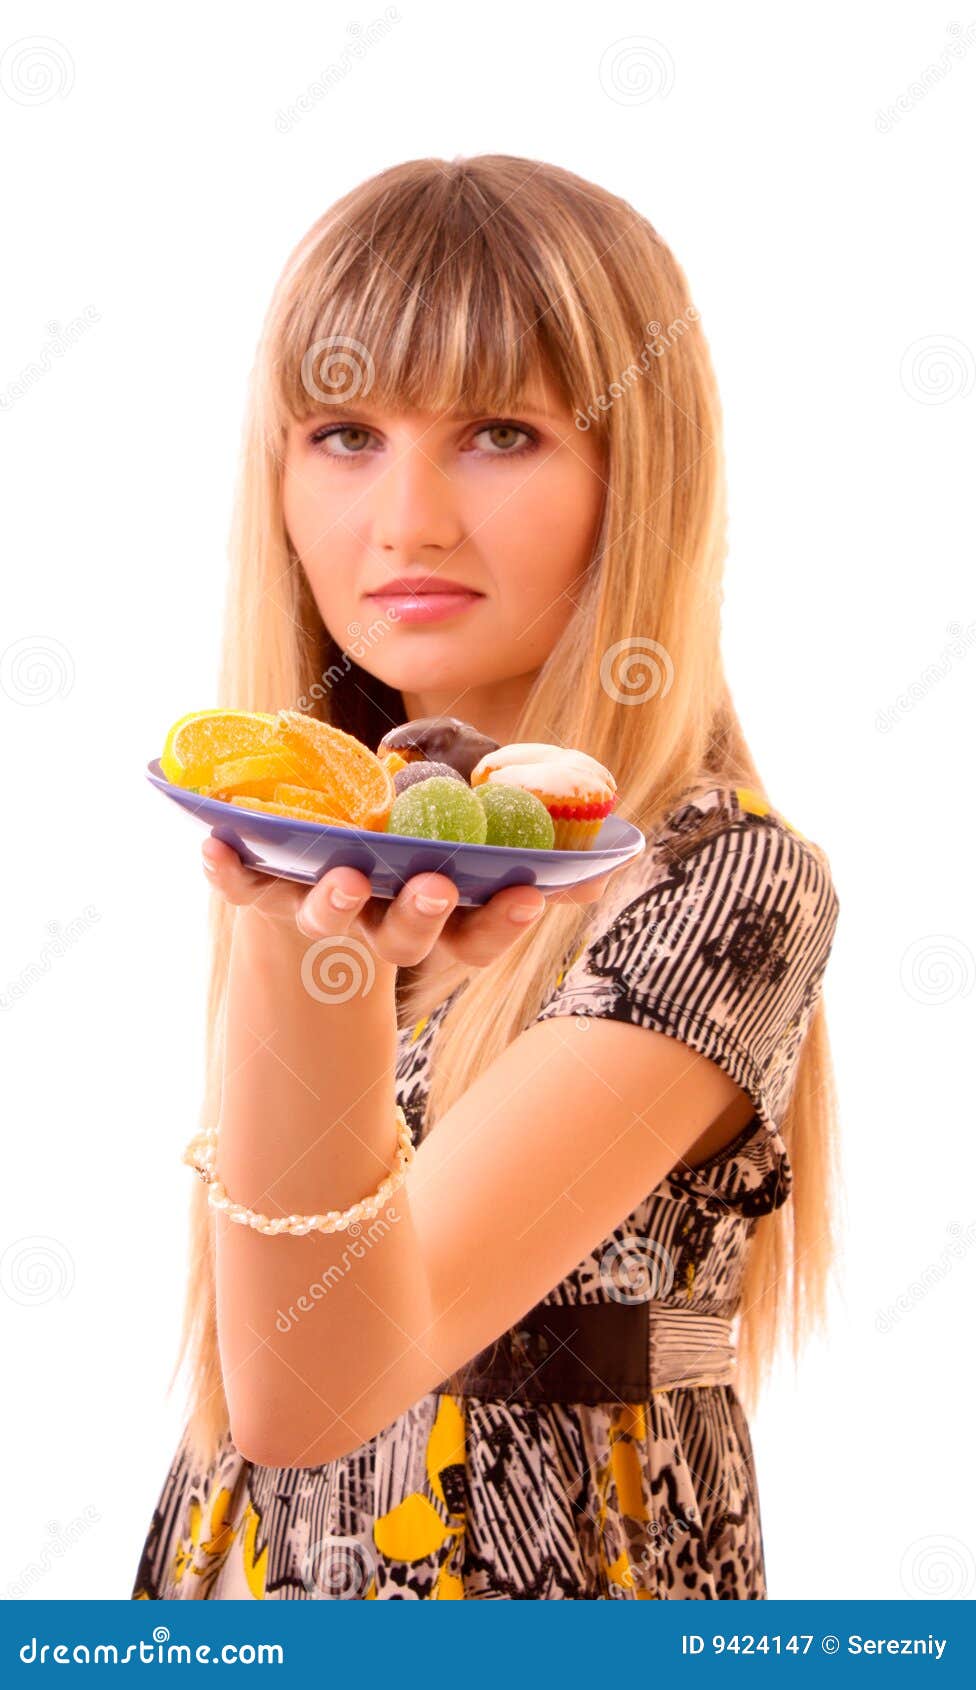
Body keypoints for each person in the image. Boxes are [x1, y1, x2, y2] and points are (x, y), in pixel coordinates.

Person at [131, 153, 840, 1601]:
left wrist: (299, 947)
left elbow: (315, 1387)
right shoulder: (343, 854)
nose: (409, 519)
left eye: (501, 433)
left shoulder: (720, 886)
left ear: (636, 475)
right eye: (344, 434)